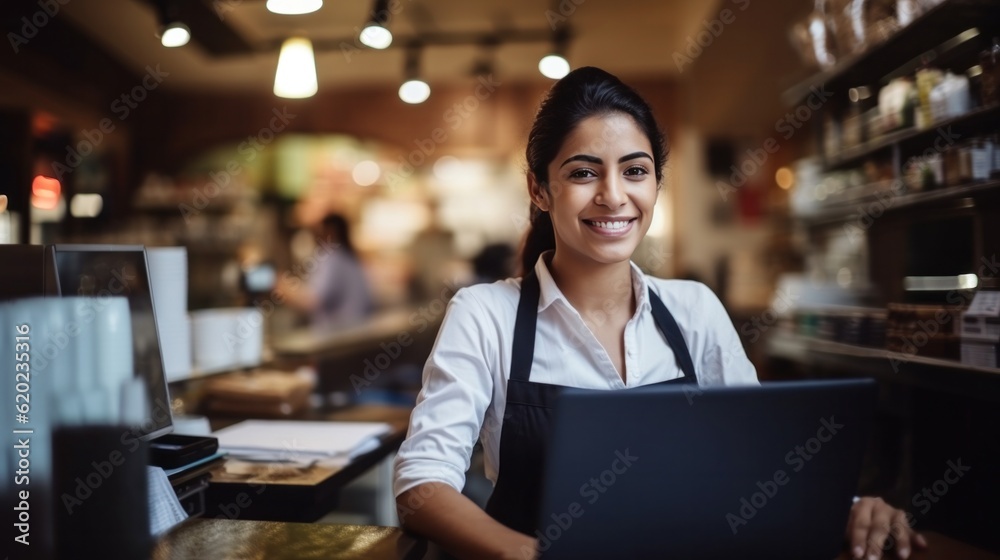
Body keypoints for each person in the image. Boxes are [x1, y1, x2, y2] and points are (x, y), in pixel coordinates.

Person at [393, 67, 926, 560]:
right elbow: (421, 484)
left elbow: (758, 463)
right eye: (583, 172)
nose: (613, 195)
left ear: (654, 184)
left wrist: (852, 505)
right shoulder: (486, 314)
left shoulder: (694, 309)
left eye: (635, 171)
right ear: (539, 189)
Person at [274, 213, 374, 331]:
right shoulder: (350, 258)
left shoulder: (332, 258)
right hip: (358, 333)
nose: (315, 234)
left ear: (330, 232)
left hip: (339, 336)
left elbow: (312, 301)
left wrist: (281, 285)